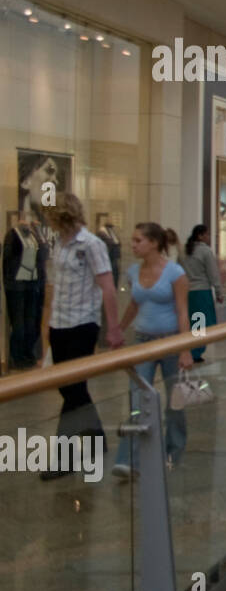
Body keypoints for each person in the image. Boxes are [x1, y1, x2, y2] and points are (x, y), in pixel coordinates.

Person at [38, 193, 124, 479]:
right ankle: (95, 437)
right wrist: (46, 324)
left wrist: (113, 328)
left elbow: (107, 286)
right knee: (67, 387)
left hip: (82, 324)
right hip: (60, 324)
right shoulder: (58, 245)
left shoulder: (92, 244)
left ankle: (64, 458)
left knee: (73, 388)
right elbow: (53, 288)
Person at [113, 223, 193, 478]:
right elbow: (135, 303)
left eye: (138, 241)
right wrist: (119, 329)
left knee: (174, 401)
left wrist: (185, 348)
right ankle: (129, 459)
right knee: (137, 398)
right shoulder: (133, 271)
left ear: (154, 243)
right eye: (133, 240)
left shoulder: (175, 273)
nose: (133, 245)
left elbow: (183, 311)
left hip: (169, 341)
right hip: (142, 341)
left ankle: (173, 450)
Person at [4, 214, 48, 369]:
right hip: (17, 286)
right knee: (19, 324)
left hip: (32, 284)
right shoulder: (13, 235)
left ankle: (28, 354)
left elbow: (43, 254)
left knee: (32, 323)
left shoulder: (33, 236)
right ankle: (17, 357)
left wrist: (38, 231)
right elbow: (7, 259)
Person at [179, 224, 223, 362]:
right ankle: (196, 351)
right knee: (200, 323)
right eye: (207, 235)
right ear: (200, 236)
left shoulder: (183, 251)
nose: (209, 237)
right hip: (201, 292)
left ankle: (190, 348)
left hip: (187, 292)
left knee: (191, 322)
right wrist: (219, 292)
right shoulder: (205, 251)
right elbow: (213, 274)